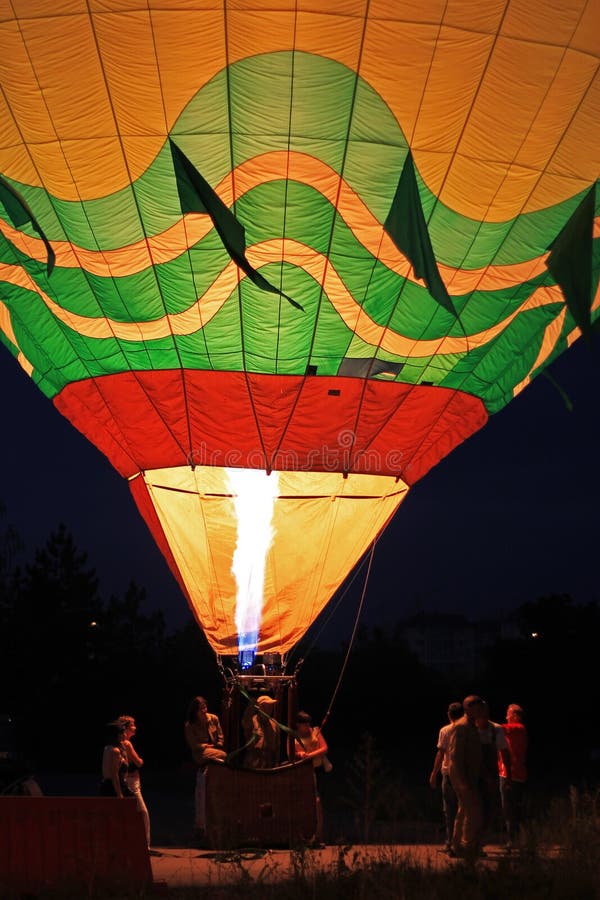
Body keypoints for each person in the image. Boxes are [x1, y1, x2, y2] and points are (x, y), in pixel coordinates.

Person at [446, 695, 486, 861]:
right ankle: (467, 846)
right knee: (472, 811)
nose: (481, 710)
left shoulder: (471, 726)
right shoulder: (462, 727)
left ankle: (457, 846)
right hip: (463, 778)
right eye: (478, 706)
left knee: (464, 810)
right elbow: (455, 755)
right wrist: (462, 781)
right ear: (469, 707)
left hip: (468, 777)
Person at [184, 696, 227, 838]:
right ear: (195, 711)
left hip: (214, 749)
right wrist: (205, 746)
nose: (204, 711)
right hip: (201, 753)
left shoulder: (213, 718)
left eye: (205, 708)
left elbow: (220, 737)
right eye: (201, 709)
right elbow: (194, 745)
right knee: (223, 756)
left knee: (221, 755)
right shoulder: (190, 725)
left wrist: (216, 744)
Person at [475, 701, 511, 855]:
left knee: (487, 809)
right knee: (471, 809)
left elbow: (504, 752)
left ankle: (478, 842)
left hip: (490, 776)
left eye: (485, 711)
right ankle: (470, 843)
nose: (483, 714)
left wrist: (507, 774)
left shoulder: (496, 730)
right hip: (473, 775)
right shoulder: (469, 729)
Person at [429, 701, 463, 852]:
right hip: (463, 774)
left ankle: (450, 842)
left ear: (449, 714)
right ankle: (463, 840)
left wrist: (434, 773)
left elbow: (440, 753)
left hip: (448, 773)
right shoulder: (468, 729)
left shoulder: (445, 730)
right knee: (464, 808)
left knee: (449, 808)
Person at [294, 711, 331, 846]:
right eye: (305, 723)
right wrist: (299, 754)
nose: (307, 725)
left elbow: (324, 748)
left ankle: (318, 835)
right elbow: (290, 752)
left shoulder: (315, 731)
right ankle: (303, 835)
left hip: (316, 769)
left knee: (317, 802)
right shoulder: (294, 736)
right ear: (298, 725)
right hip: (301, 772)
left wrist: (309, 755)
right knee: (304, 802)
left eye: (308, 723)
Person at [115, 715, 151, 848]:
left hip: (128, 780)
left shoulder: (119, 744)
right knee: (143, 813)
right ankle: (144, 845)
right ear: (126, 728)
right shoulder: (127, 744)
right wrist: (141, 760)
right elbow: (138, 762)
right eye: (133, 725)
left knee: (130, 813)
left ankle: (130, 842)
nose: (135, 727)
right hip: (131, 781)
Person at [499, 703, 528, 850]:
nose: (506, 716)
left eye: (508, 714)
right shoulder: (515, 731)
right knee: (511, 809)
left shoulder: (518, 728)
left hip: (513, 775)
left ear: (515, 716)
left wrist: (483, 719)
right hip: (511, 773)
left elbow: (499, 728)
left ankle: (513, 840)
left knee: (510, 809)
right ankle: (514, 839)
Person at [241, 693, 281, 769]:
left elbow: (277, 746)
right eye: (267, 706)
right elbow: (245, 720)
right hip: (253, 762)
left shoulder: (275, 724)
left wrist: (276, 763)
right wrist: (251, 706)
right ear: (260, 707)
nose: (270, 708)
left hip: (270, 764)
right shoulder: (252, 720)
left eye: (271, 706)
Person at [99, 721, 132, 799]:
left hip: (109, 786)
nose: (125, 734)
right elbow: (114, 775)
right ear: (115, 735)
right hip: (113, 788)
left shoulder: (108, 747)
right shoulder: (115, 751)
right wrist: (119, 794)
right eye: (122, 732)